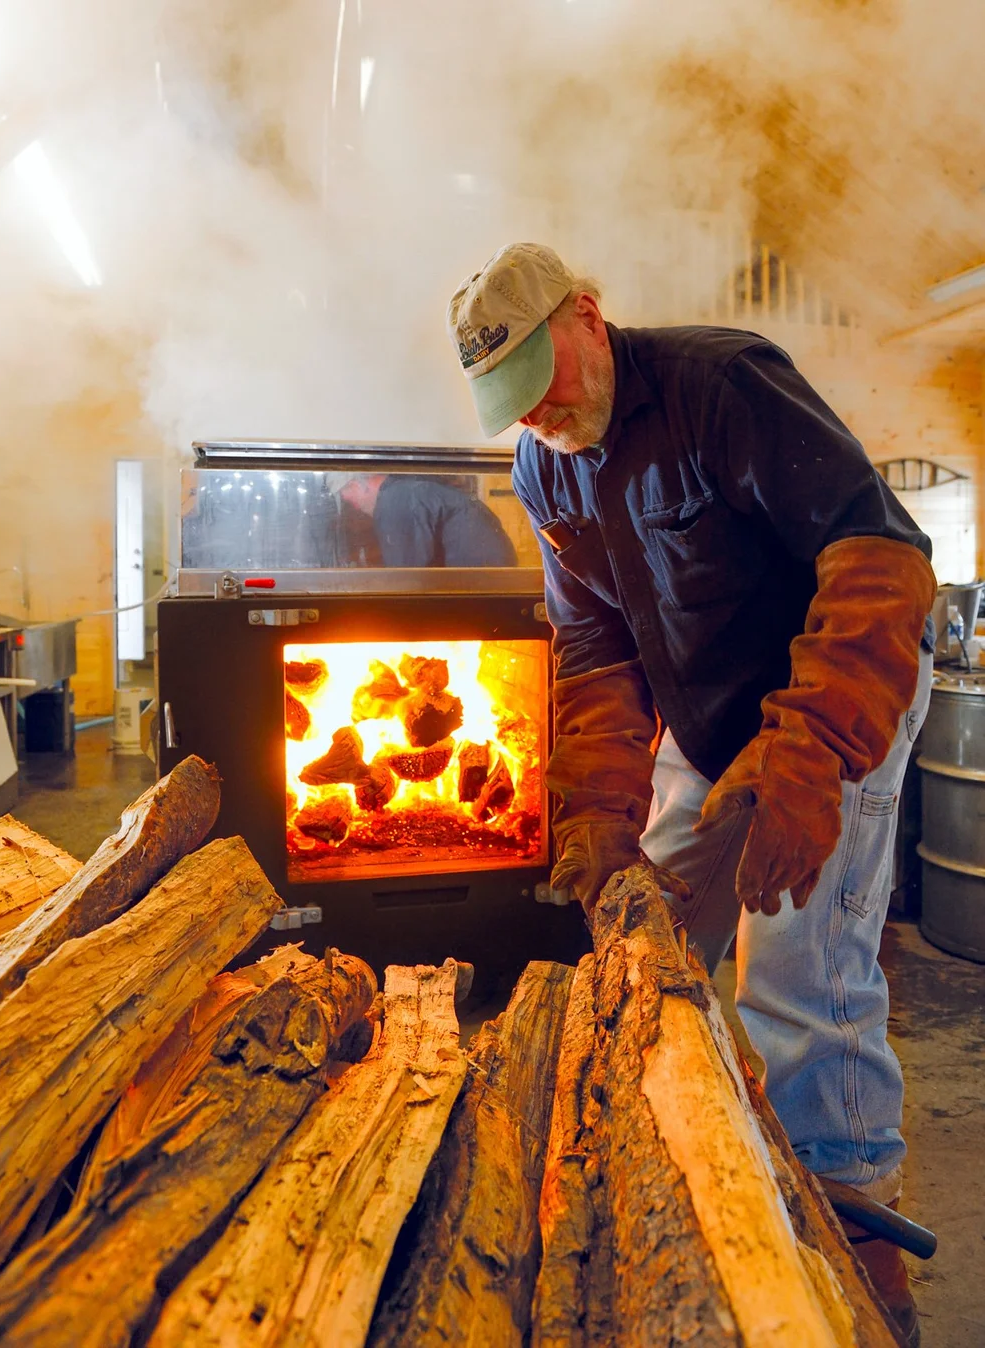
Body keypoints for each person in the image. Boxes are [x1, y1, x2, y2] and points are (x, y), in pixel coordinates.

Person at [447, 242, 936, 1345]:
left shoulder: (720, 384)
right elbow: (594, 646)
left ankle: (857, 1230)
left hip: (833, 699)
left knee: (804, 964)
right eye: (510, 406)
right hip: (715, 729)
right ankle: (669, 1151)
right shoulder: (546, 466)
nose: (537, 417)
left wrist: (808, 754)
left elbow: (877, 562)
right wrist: (599, 805)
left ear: (587, 312)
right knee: (649, 927)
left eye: (544, 382)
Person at [337, 473, 517, 568]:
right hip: (489, 581)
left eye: (352, 502)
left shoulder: (395, 500)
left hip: (479, 590)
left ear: (357, 485)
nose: (356, 508)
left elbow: (408, 579)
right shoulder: (408, 490)